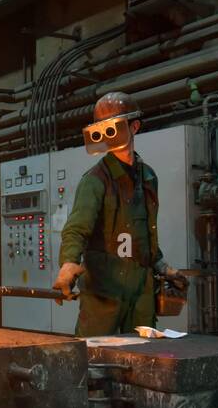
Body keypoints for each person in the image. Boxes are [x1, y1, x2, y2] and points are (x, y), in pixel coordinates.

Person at [52, 91, 186, 337]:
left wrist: (162, 266)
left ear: (134, 127)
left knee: (142, 357)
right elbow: (76, 228)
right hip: (105, 289)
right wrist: (69, 262)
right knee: (95, 356)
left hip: (141, 288)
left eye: (115, 127)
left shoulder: (148, 177)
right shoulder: (95, 180)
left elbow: (146, 231)